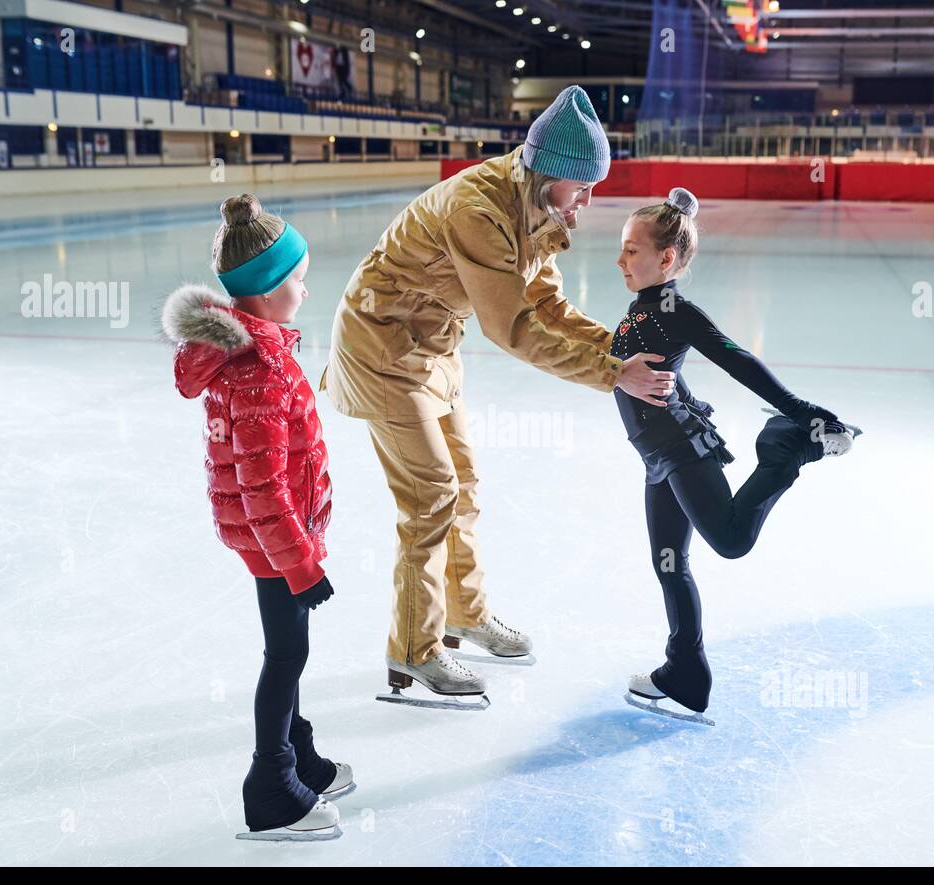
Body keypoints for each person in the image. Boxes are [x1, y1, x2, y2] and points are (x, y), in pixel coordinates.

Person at [321, 85, 675, 706]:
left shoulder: (533, 206)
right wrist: (611, 374)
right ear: (551, 175)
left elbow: (546, 304)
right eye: (583, 188)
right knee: (432, 495)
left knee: (464, 482)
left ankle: (465, 614)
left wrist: (616, 348)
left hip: (430, 346)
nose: (588, 202)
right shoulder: (478, 211)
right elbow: (514, 327)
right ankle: (412, 651)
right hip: (381, 349)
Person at [611, 187, 861, 721]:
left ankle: (786, 446)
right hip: (656, 455)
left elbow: (735, 358)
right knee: (669, 565)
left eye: (632, 249)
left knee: (729, 540)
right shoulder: (643, 306)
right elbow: (661, 369)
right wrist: (685, 395)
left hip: (680, 449)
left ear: (667, 258)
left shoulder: (675, 307)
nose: (620, 259)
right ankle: (685, 674)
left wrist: (802, 412)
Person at [161, 193, 353, 839]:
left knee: (290, 648)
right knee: (286, 653)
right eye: (297, 278)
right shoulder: (261, 368)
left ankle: (297, 755)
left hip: (276, 533)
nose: (305, 286)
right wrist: (300, 565)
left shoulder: (256, 348)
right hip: (275, 538)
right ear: (268, 290)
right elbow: (262, 485)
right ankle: (270, 785)